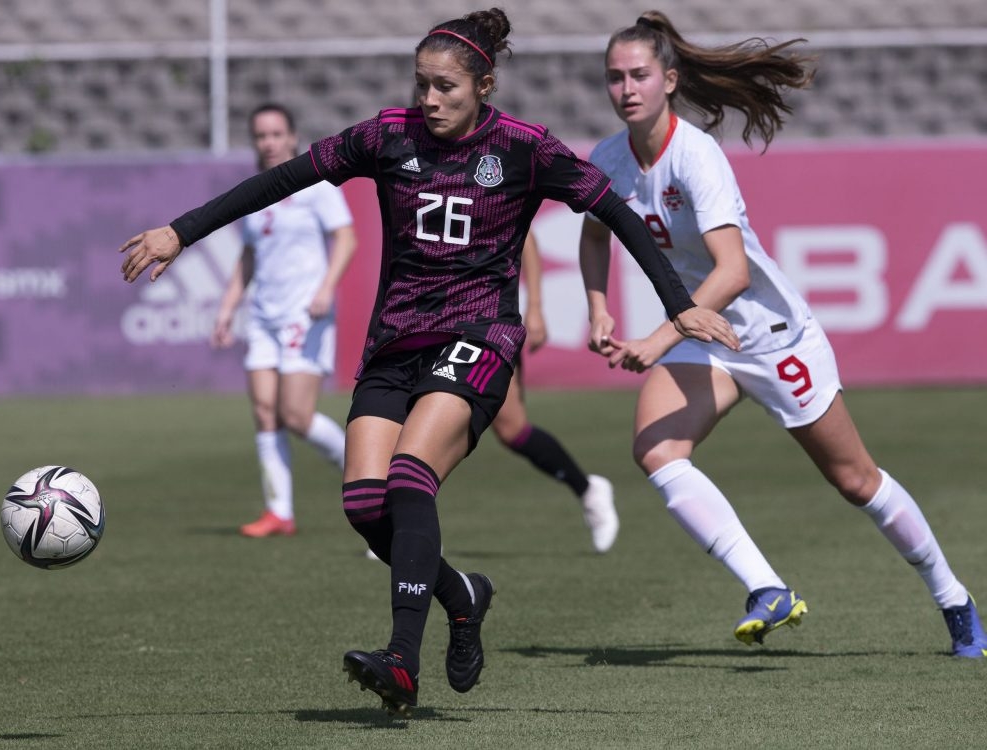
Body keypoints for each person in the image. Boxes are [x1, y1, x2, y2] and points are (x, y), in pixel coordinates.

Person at [120, 8, 739, 717]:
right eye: (422, 85)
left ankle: (402, 661)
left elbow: (618, 213)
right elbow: (280, 181)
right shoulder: (386, 137)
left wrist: (677, 303)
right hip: (394, 344)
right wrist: (181, 232)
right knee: (363, 506)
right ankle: (462, 595)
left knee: (412, 477)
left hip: (480, 338)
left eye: (445, 86)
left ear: (484, 84)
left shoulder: (524, 149)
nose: (430, 99)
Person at [580, 11, 987, 658]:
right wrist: (597, 307)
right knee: (656, 450)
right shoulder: (607, 158)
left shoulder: (696, 156)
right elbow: (595, 233)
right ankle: (766, 587)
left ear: (670, 81)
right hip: (705, 337)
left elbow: (734, 272)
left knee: (855, 480)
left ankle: (954, 597)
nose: (626, 88)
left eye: (639, 75)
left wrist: (656, 339)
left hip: (770, 335)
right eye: (614, 77)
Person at [211, 103, 357, 538]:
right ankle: (279, 511)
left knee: (296, 414)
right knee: (264, 412)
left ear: (293, 137)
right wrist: (227, 307)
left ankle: (368, 470)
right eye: (261, 136)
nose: (269, 142)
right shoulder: (255, 191)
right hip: (263, 316)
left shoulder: (317, 186)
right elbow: (250, 255)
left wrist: (327, 287)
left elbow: (346, 238)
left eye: (276, 134)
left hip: (303, 313)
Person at [491, 231, 618, 553]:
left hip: (488, 316)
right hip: (430, 311)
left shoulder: (481, 180)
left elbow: (526, 237)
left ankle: (587, 490)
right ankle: (396, 524)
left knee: (511, 428)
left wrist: (534, 306)